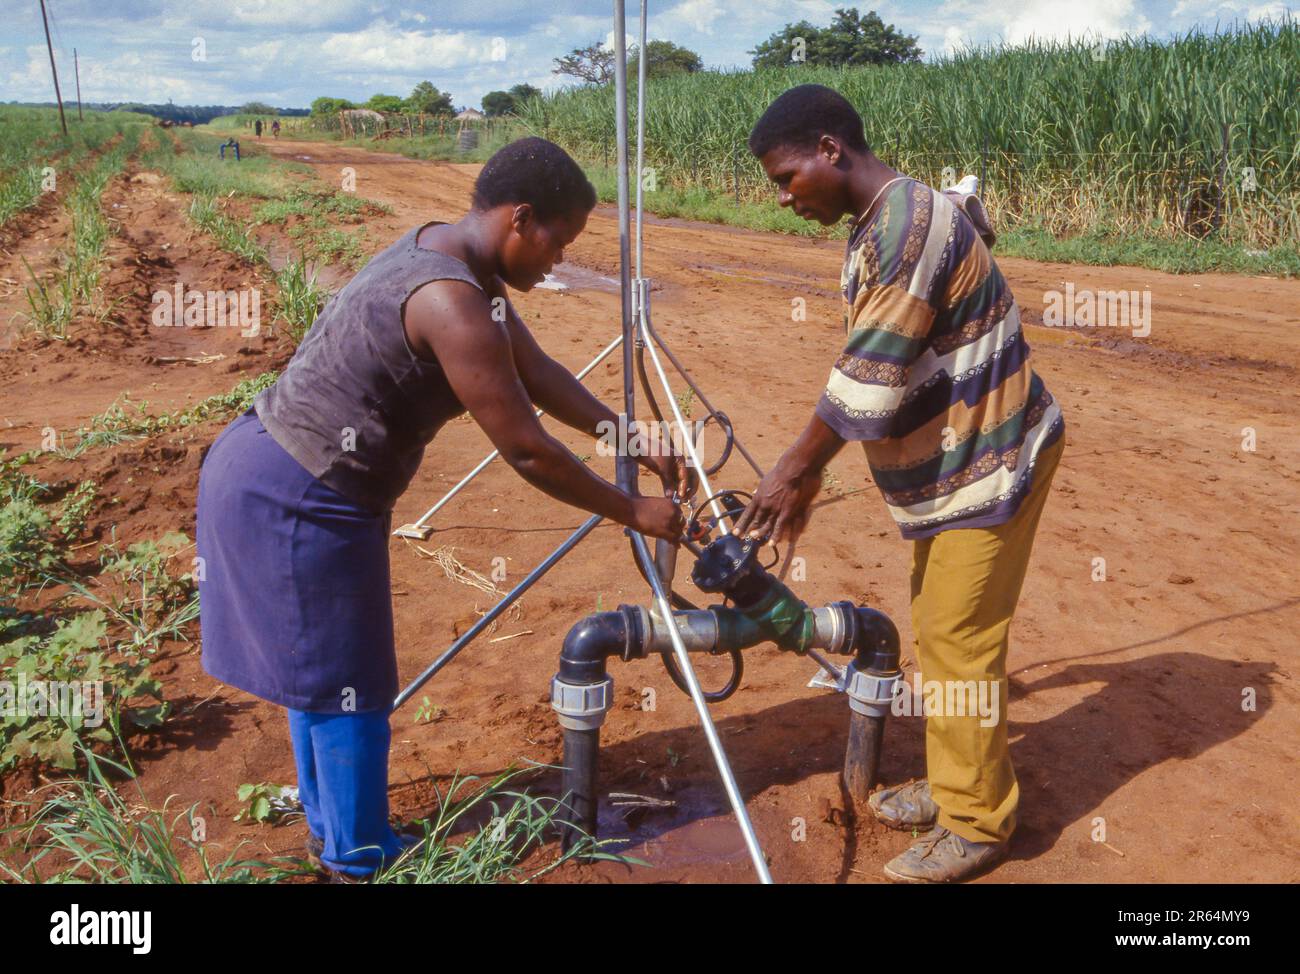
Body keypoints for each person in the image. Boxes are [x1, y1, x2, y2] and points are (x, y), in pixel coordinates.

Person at [196, 137, 687, 881]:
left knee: (323, 674)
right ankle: (359, 861)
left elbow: (538, 370)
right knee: (349, 682)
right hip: (300, 490)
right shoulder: (451, 299)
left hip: (280, 466)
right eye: (561, 241)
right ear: (522, 219)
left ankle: (335, 833)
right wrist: (634, 510)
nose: (559, 261)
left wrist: (627, 436)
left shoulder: (446, 252)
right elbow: (526, 449)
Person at [736, 85, 1065, 883]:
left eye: (787, 178)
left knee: (958, 639)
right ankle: (958, 785)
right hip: (951, 471)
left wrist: (792, 473)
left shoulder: (905, 228)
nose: (784, 199)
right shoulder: (892, 218)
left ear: (830, 148)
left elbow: (868, 381)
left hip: (992, 461)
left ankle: (979, 822)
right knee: (942, 629)